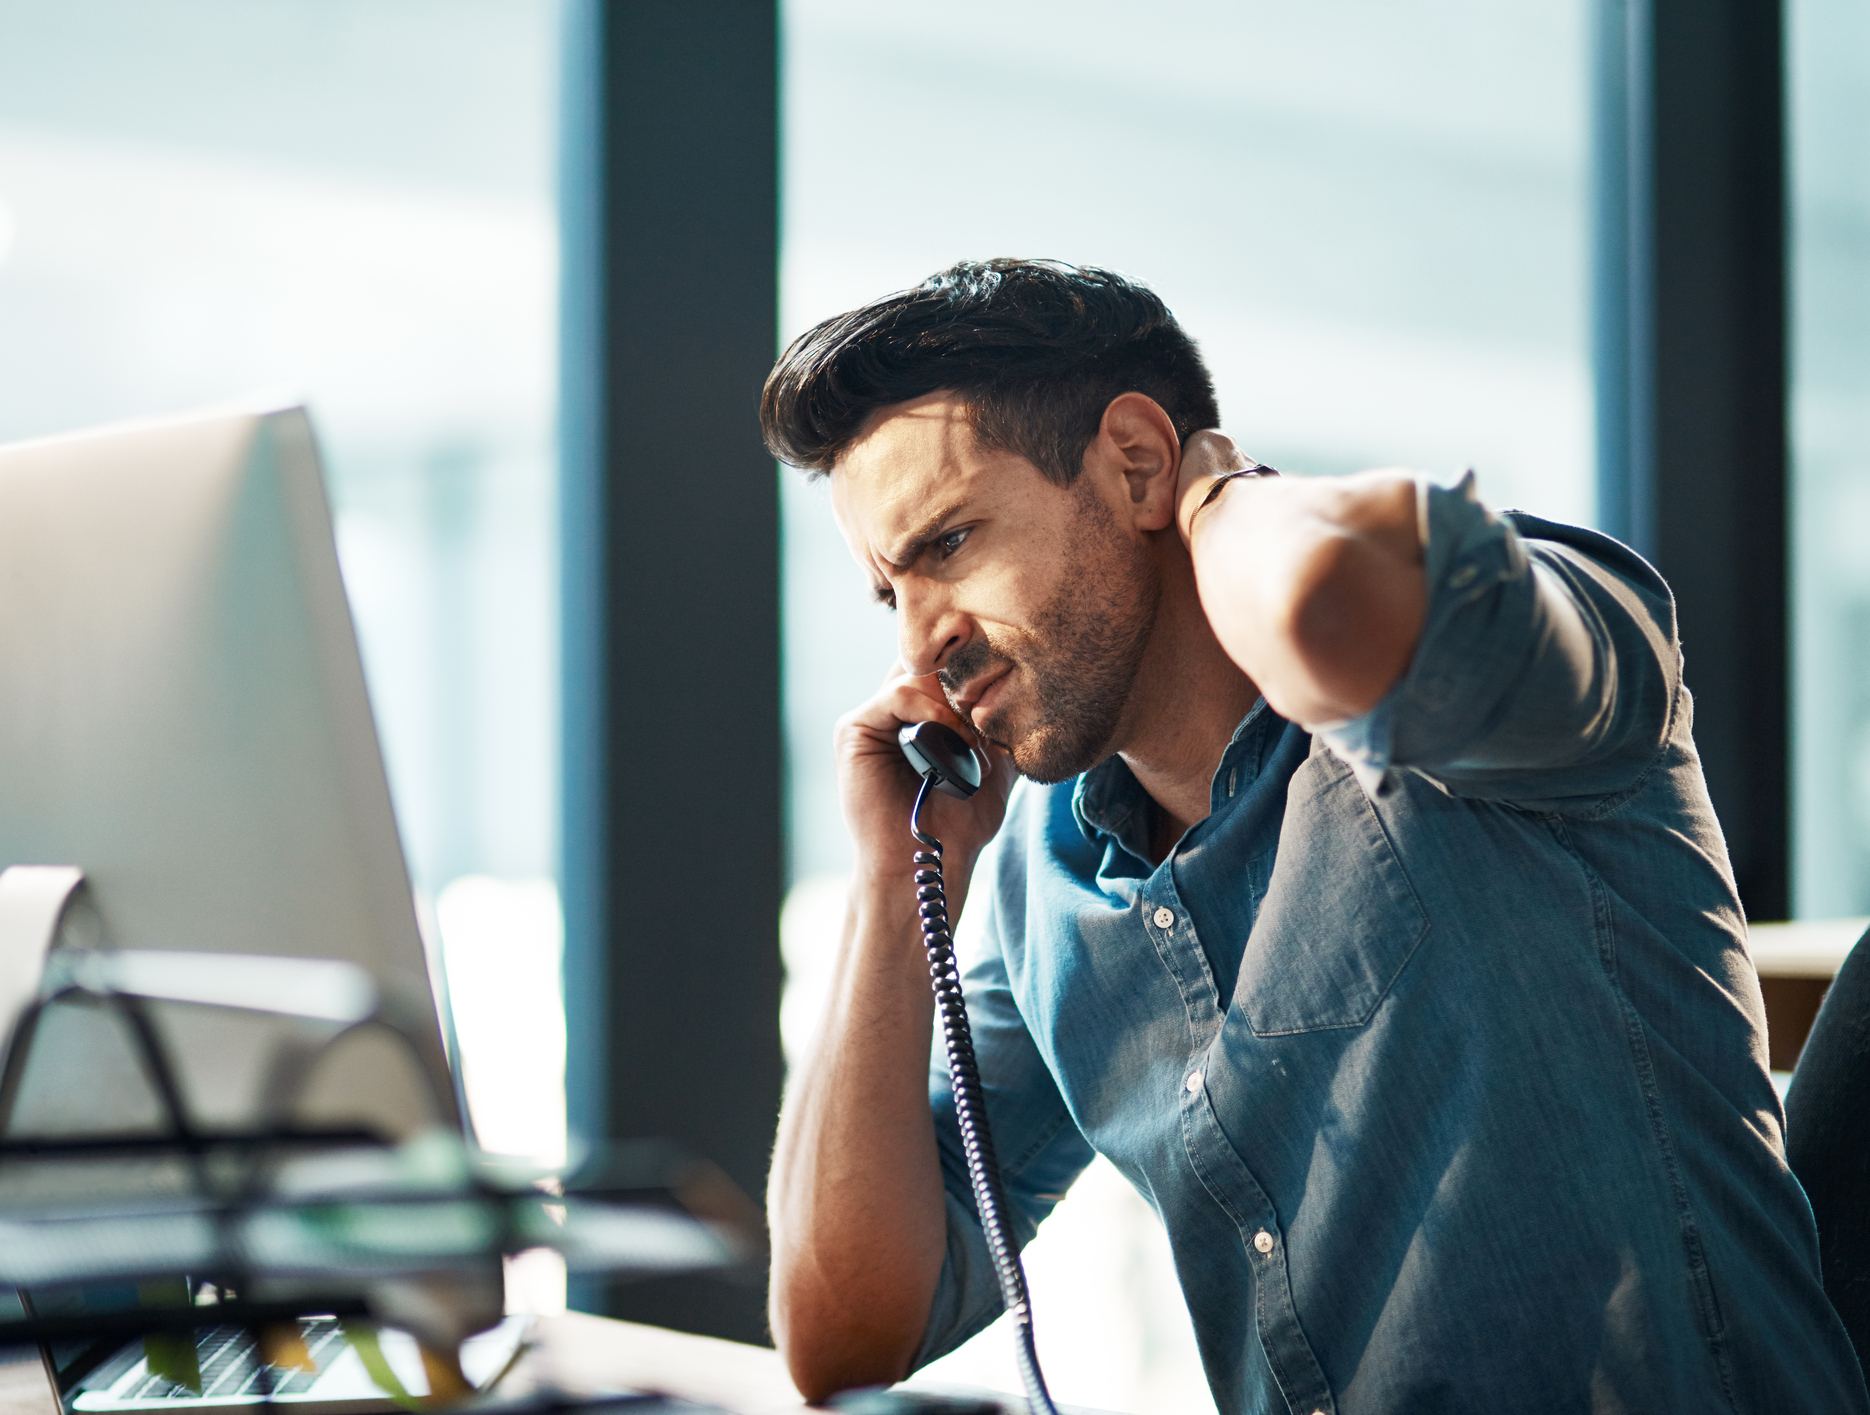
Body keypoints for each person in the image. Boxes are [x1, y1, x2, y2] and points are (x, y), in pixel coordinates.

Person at [759, 258, 1869, 1414]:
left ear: (1135, 461)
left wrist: (1219, 495)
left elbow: (1341, 598)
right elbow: (846, 1334)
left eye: (948, 544)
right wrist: (898, 878)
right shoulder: (1047, 871)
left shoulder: (1502, 655)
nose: (920, 647)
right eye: (890, 591)